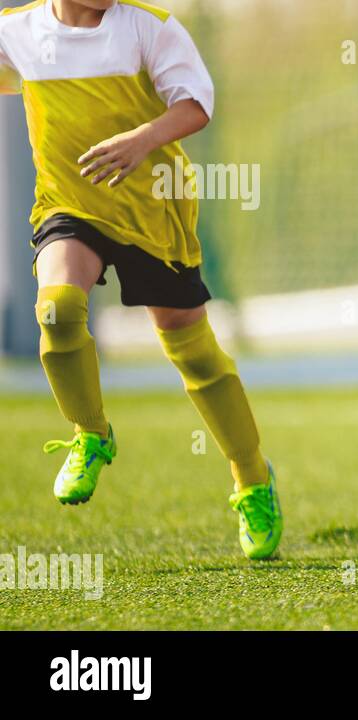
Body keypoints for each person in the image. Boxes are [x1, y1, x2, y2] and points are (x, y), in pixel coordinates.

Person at [0, 0, 282, 560]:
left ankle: (252, 480)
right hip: (70, 205)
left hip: (155, 208)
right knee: (56, 308)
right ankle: (91, 433)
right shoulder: (17, 30)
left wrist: (140, 140)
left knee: (193, 352)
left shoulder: (148, 27)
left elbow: (198, 103)